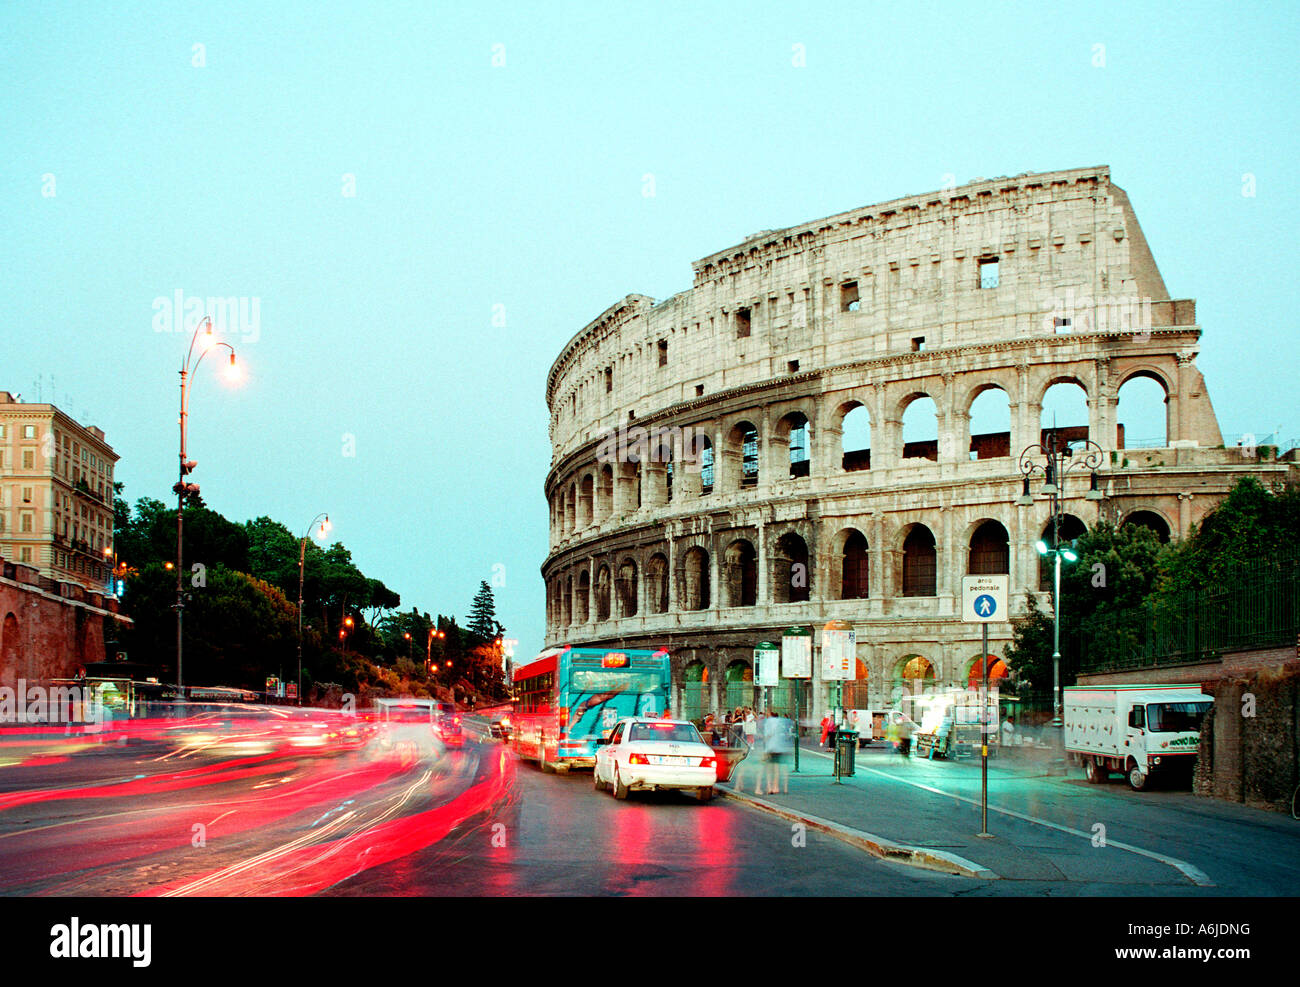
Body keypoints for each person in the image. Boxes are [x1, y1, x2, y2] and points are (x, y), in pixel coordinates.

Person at [763, 710, 795, 794]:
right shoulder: (781, 721)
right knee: (777, 769)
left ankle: (769, 787)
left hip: (770, 748)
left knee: (769, 769)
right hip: (779, 748)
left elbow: (768, 735)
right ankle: (776, 787)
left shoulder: (768, 722)